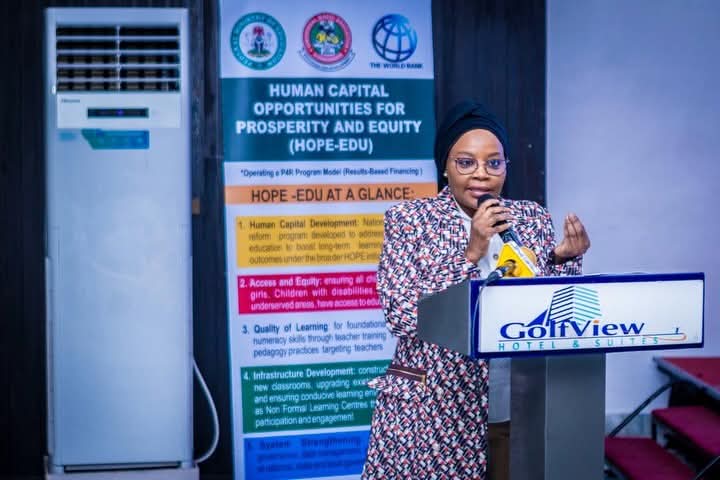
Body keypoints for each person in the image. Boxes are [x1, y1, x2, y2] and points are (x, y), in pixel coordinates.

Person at [361, 100, 591, 480]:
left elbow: (553, 311)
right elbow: (401, 315)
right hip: (433, 412)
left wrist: (561, 259)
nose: (481, 174)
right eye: (466, 162)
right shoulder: (409, 220)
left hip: (517, 404)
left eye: (493, 162)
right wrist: (471, 252)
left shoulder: (531, 217)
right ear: (445, 167)